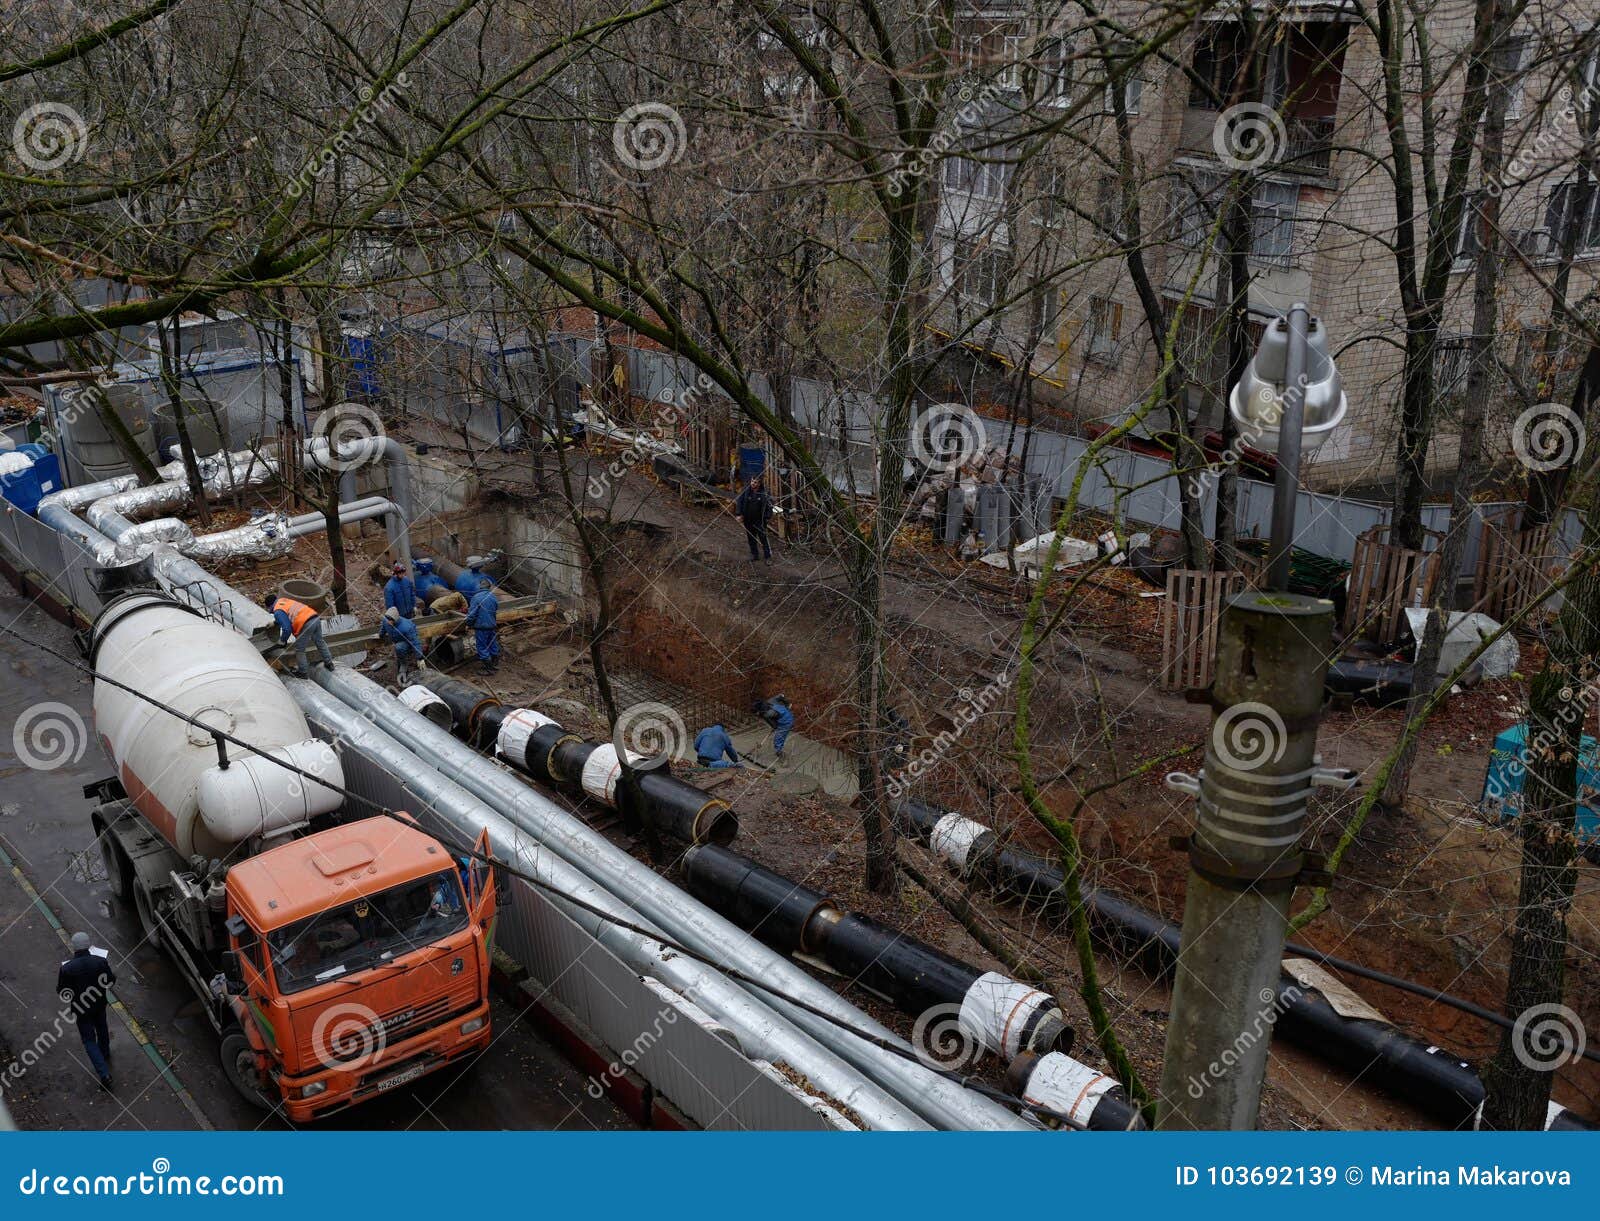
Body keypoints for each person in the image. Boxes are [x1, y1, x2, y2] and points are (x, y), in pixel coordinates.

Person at [57, 932, 115, 1089]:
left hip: (81, 1010)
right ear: (89, 945)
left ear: (74, 947)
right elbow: (111, 980)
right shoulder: (100, 962)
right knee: (102, 1029)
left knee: (89, 1040)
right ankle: (105, 1053)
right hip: (99, 1004)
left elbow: (62, 991)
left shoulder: (67, 969)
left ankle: (104, 1073)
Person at [264, 591, 334, 677]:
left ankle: (303, 672)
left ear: (269, 606)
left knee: (300, 649)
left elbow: (287, 629)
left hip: (305, 624)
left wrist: (282, 641)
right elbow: (287, 614)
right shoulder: (283, 601)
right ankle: (329, 663)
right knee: (320, 642)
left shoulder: (277, 611)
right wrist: (275, 623)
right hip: (315, 618)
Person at [379, 606, 426, 685]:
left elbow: (415, 641)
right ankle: (402, 666)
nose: (388, 622)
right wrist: (380, 635)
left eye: (391, 620)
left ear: (395, 619)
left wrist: (420, 657)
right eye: (387, 619)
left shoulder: (406, 627)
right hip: (397, 640)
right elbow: (383, 628)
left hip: (406, 641)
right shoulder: (385, 621)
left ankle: (404, 665)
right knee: (399, 649)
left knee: (399, 648)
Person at [734, 476, 773, 563]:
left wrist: (767, 517)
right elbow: (740, 502)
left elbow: (769, 506)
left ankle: (768, 557)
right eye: (752, 481)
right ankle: (754, 555)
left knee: (763, 539)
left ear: (759, 483)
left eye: (755, 482)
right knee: (751, 538)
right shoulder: (746, 490)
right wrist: (739, 514)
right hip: (748, 519)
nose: (752, 483)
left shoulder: (764, 493)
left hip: (760, 521)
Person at [466, 577, 500, 674]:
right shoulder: (493, 596)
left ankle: (489, 669)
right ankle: (495, 664)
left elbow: (472, 614)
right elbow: (495, 609)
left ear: (480, 587)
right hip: (492, 625)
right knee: (492, 643)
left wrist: (468, 623)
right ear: (489, 587)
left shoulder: (476, 598)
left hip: (481, 626)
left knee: (482, 646)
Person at [754, 694, 794, 761]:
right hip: (784, 716)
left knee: (778, 740)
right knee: (778, 737)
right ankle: (779, 752)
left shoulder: (766, 714)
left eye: (757, 713)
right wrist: (788, 704)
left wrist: (774, 726)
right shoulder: (770, 701)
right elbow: (781, 695)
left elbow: (774, 726)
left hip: (786, 722)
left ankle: (782, 756)